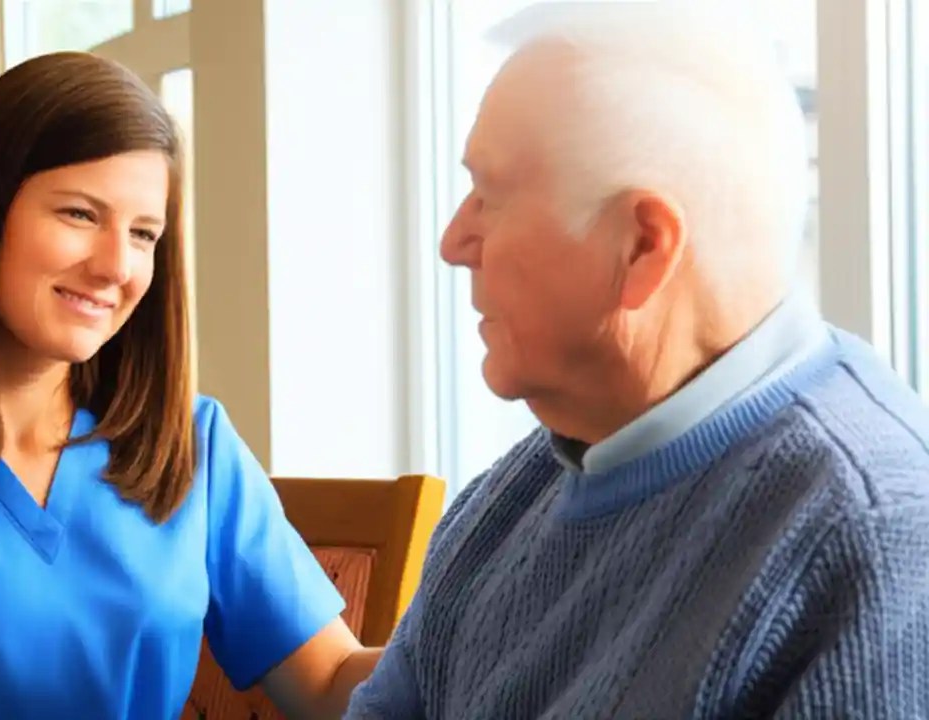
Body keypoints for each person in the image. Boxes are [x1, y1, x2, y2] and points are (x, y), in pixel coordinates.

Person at [346, 3, 929, 718]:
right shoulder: (513, 494)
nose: (453, 241)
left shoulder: (876, 539)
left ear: (644, 247)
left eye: (490, 197)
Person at [0, 52, 379, 720]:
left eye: (144, 234)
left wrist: (479, 622)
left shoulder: (195, 445)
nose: (117, 265)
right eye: (81, 215)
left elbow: (329, 683)